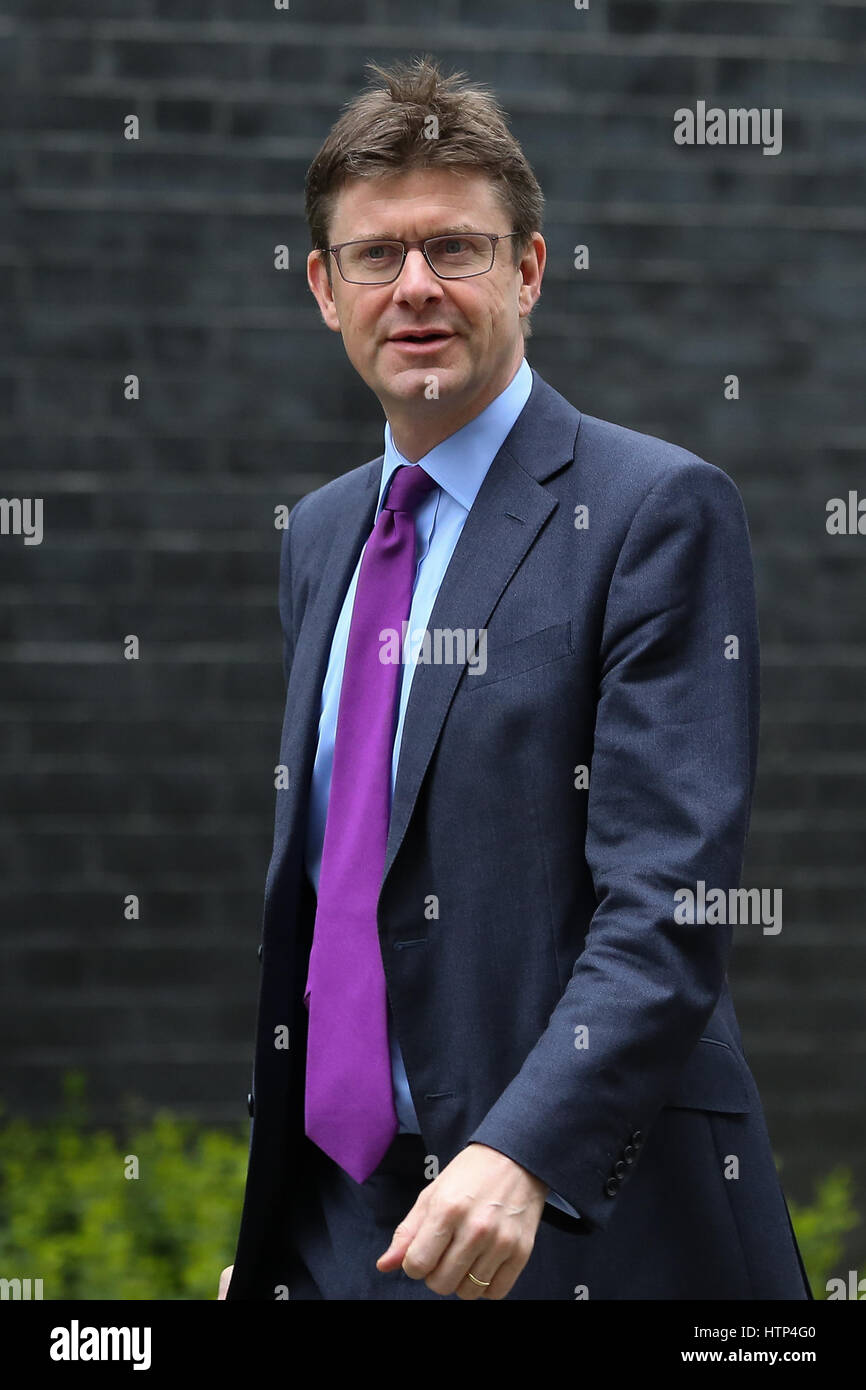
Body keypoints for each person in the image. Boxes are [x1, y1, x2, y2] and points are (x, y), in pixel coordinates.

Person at [220, 55, 811, 1301]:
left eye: (458, 248)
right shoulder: (321, 532)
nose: (416, 286)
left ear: (530, 269)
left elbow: (665, 903)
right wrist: (280, 1232)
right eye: (377, 256)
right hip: (344, 1224)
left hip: (568, 1217)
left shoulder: (654, 510)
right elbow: (334, 890)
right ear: (324, 290)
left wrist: (518, 1152)